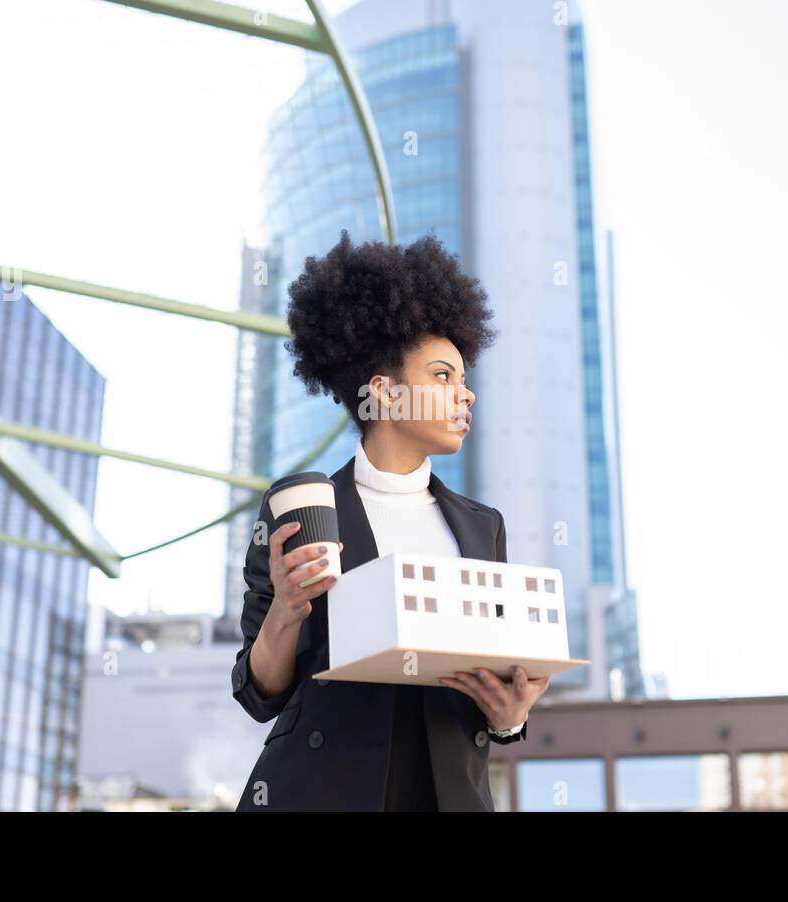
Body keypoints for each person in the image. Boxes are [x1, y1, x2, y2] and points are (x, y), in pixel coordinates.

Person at [231, 230, 550, 811]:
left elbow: (496, 683)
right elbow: (259, 695)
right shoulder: (303, 508)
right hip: (321, 791)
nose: (467, 394)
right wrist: (286, 607)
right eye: (443, 377)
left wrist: (510, 717)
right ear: (384, 392)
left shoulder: (484, 527)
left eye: (464, 377)